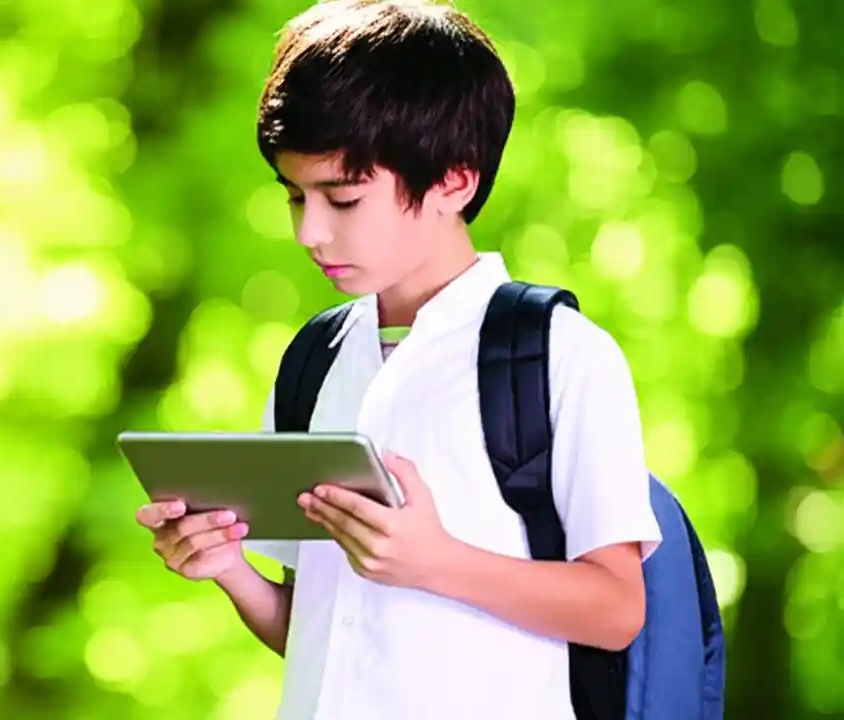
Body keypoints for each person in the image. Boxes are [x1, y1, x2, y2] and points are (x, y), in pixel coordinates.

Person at [134, 1, 662, 717]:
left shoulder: (557, 354)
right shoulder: (315, 361)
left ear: (455, 181)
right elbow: (322, 634)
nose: (309, 232)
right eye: (294, 196)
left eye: (342, 199)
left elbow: (616, 608)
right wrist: (229, 570)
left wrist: (436, 562)